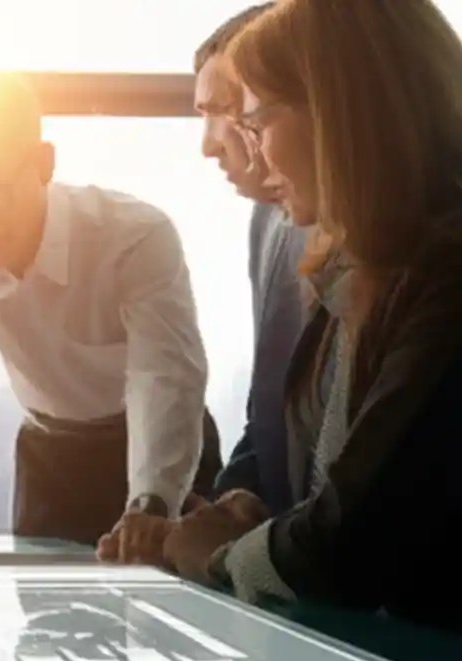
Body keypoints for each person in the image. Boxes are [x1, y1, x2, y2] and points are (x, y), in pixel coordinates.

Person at [164, 0, 462, 633]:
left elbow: (350, 542)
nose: (252, 151)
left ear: (339, 114)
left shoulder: (444, 276)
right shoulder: (366, 266)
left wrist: (214, 557)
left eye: (255, 121)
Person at [0, 71, 221, 559]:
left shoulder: (134, 236)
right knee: (45, 602)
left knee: (174, 591)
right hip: (50, 455)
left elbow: (165, 374)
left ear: (43, 163)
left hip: (162, 443)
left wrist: (152, 502)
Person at [192, 4, 308, 516]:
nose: (209, 145)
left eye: (225, 110)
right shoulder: (268, 223)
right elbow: (269, 406)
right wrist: (224, 506)